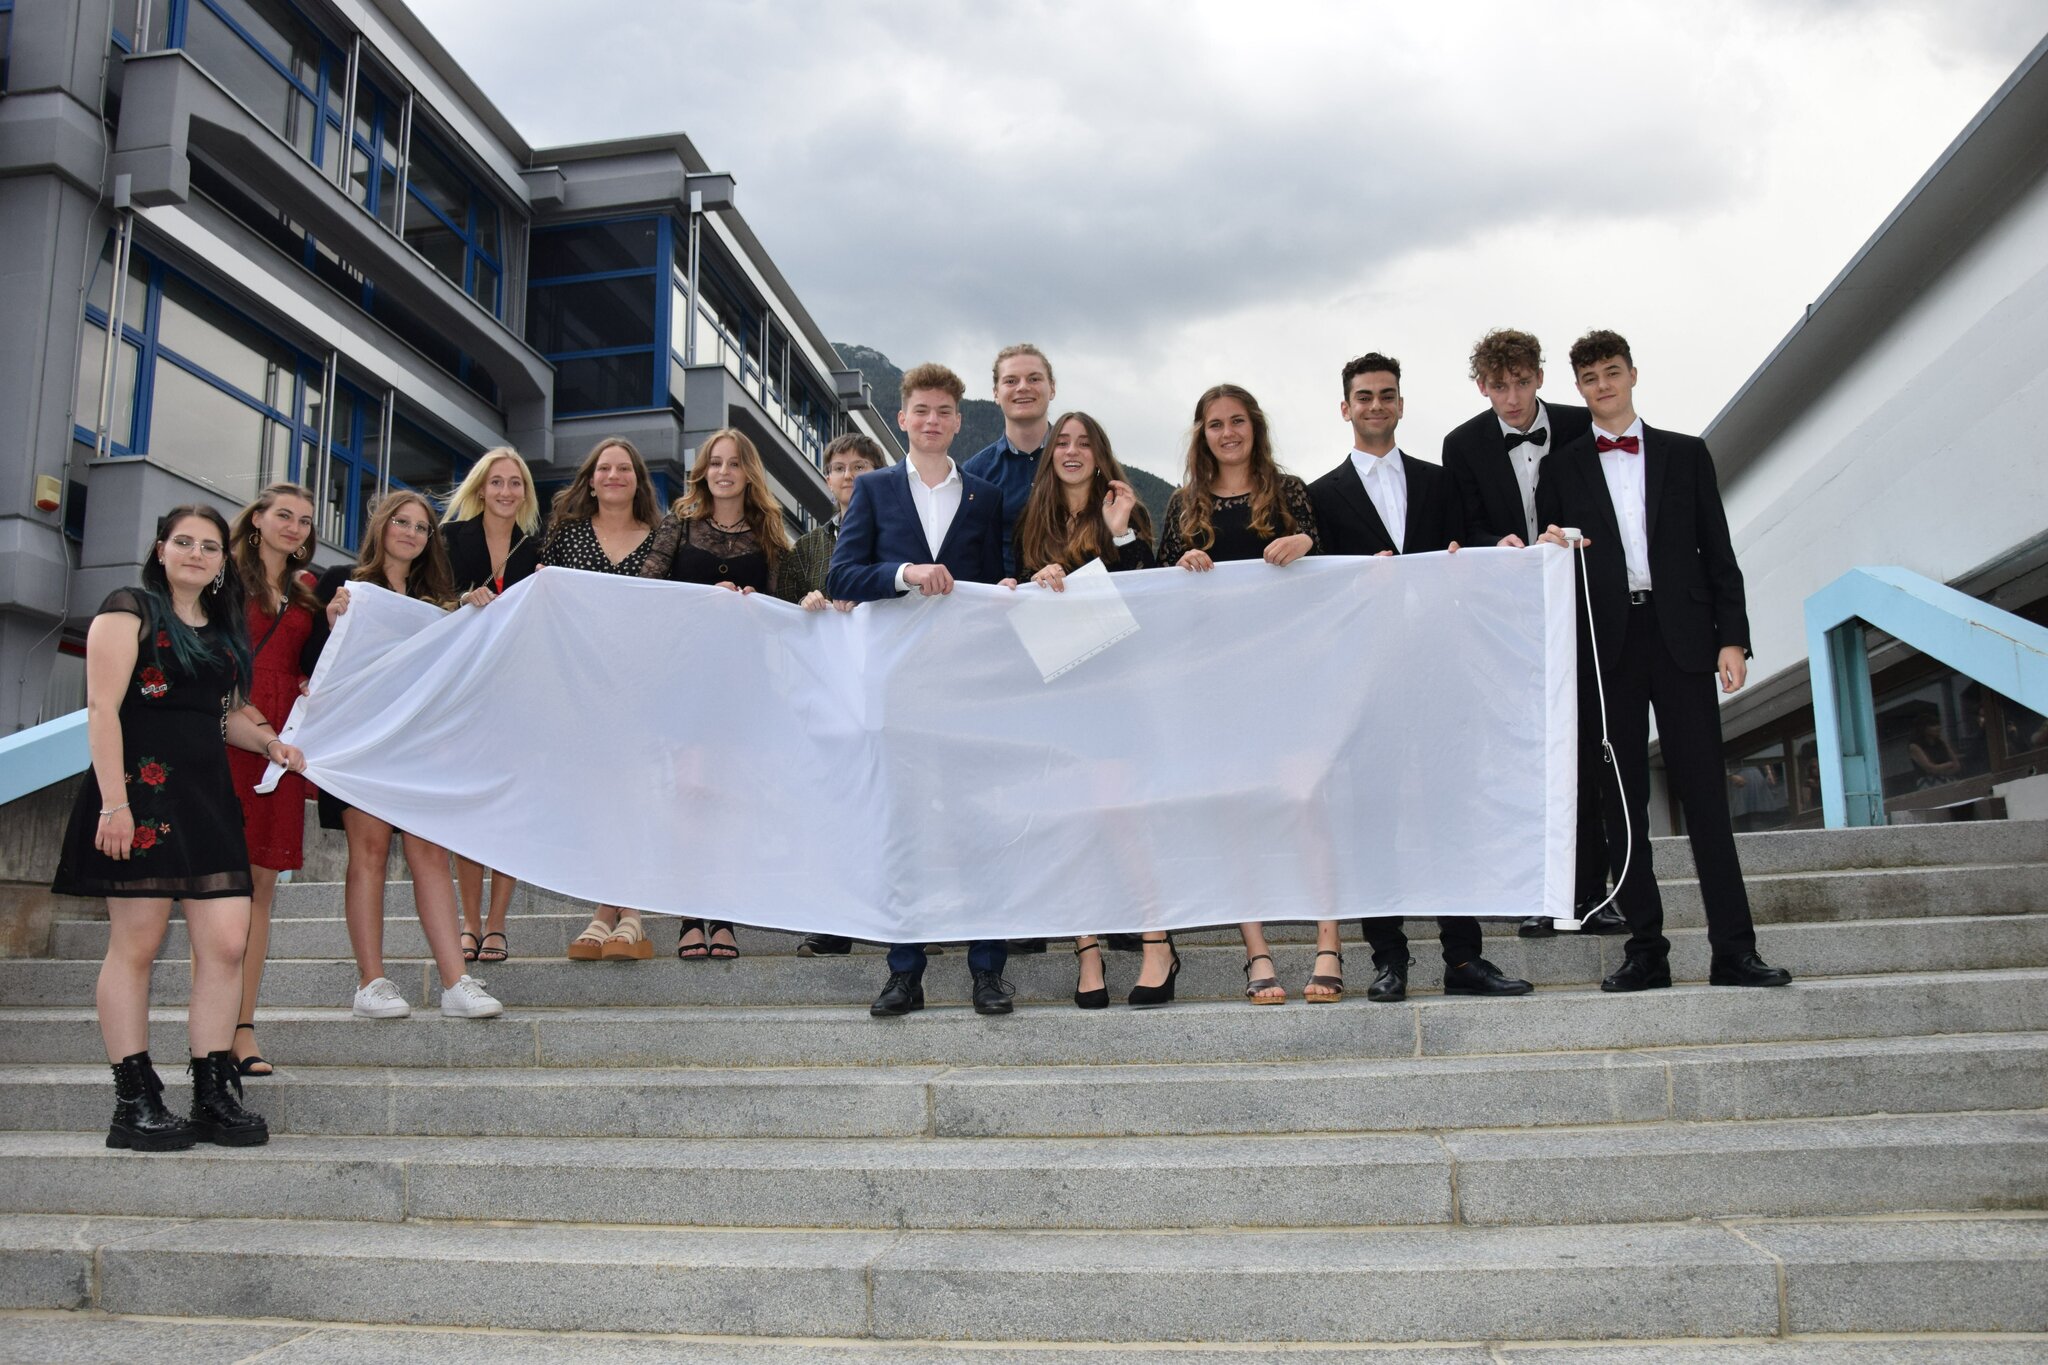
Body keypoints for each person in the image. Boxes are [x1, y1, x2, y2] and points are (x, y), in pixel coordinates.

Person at [1534, 329, 1792, 992]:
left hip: (1684, 640)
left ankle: (1734, 951)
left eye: (1611, 372)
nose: (1603, 386)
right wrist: (1548, 545)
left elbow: (1718, 551)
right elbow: (1550, 564)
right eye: (1590, 378)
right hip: (1606, 648)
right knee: (1622, 804)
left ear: (1632, 374)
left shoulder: (1686, 452)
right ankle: (1646, 949)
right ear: (1578, 388)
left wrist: (1731, 638)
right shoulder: (1559, 469)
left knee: (1706, 796)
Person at [52, 504, 306, 1149]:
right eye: (184, 542)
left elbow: (225, 713)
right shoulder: (128, 609)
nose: (196, 553)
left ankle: (212, 1096)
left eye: (209, 546)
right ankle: (134, 1102)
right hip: (139, 797)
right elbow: (101, 711)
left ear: (223, 561)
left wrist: (270, 743)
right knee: (135, 947)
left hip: (207, 800)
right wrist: (115, 805)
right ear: (161, 549)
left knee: (226, 943)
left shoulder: (223, 628)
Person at [1308, 353, 1533, 1005]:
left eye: (1387, 395)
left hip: (1441, 672)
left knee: (1451, 814)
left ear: (1401, 404)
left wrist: (1495, 551)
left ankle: (1464, 956)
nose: (1376, 405)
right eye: (1364, 396)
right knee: (1374, 819)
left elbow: (1472, 548)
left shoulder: (1440, 482)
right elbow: (1314, 594)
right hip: (1366, 680)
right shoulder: (1318, 496)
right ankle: (1388, 958)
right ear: (1345, 408)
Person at [826, 362, 1016, 1018]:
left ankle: (988, 970)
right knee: (902, 829)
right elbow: (842, 575)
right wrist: (905, 572)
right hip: (898, 687)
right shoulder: (873, 489)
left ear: (959, 421)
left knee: (977, 825)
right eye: (922, 410)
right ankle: (904, 971)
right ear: (903, 418)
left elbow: (995, 583)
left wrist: (1005, 588)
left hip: (966, 688)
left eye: (944, 411)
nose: (932, 420)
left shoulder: (986, 496)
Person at [1439, 328, 1620, 938]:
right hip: (1509, 622)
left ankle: (1595, 893)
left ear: (1540, 377)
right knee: (1525, 759)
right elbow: (1461, 527)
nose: (1512, 398)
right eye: (1499, 386)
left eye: (1521, 382)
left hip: (1587, 610)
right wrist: (1499, 544)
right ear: (1481, 387)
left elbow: (1607, 507)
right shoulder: (1461, 444)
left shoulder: (1579, 424)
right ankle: (1537, 895)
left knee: (1588, 752)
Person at [1158, 383, 1333, 1006]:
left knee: (1307, 802)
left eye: (1237, 421)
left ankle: (1329, 944)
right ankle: (1257, 953)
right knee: (1237, 811)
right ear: (1201, 434)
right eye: (1215, 424)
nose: (1227, 432)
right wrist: (1182, 567)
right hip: (1217, 683)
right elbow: (1160, 591)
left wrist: (1306, 544)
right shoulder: (1183, 505)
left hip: (1291, 675)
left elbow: (1330, 574)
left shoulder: (1290, 493)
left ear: (1254, 426)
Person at [304, 491, 503, 1021]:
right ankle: (370, 982)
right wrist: (332, 622)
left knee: (431, 854)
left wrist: (469, 614)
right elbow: (311, 665)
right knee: (368, 853)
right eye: (402, 522)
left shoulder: (437, 600)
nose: (411, 533)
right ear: (380, 525)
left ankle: (455, 981)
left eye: (421, 527)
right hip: (360, 741)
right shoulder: (342, 583)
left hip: (416, 747)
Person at [1016, 411, 1177, 1008]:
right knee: (1072, 821)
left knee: (1118, 815)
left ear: (1100, 453)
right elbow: (1018, 612)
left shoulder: (1125, 514)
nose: (1072, 451)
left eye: (1085, 442)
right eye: (1062, 441)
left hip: (1117, 694)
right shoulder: (1029, 521)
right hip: (1056, 694)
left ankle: (1158, 941)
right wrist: (1033, 583)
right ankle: (1086, 951)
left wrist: (1117, 535)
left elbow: (1143, 600)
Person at [640, 427, 794, 961]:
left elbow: (785, 613)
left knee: (730, 797)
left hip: (743, 683)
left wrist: (755, 604)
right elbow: (647, 591)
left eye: (733, 463)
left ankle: (724, 916)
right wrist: (706, 599)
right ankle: (690, 914)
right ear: (702, 471)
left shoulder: (770, 532)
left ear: (749, 473)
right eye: (715, 462)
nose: (723, 471)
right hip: (686, 679)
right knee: (690, 792)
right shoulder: (679, 525)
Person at [538, 437, 660, 962]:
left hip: (642, 684)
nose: (614, 475)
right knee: (598, 795)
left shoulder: (661, 536)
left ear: (637, 479)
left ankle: (623, 911)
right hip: (581, 685)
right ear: (590, 480)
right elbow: (542, 605)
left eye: (624, 468)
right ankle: (615, 907)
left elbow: (676, 604)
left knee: (630, 790)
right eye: (604, 468)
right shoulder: (564, 536)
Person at [222, 483, 320, 1077]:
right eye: (284, 515)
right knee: (221, 889)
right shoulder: (225, 578)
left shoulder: (309, 592)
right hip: (229, 723)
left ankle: (242, 1028)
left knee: (261, 887)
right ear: (257, 518)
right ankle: (214, 1024)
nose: (295, 527)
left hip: (283, 738)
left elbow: (314, 663)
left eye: (305, 520)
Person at [773, 432, 884, 957]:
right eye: (839, 467)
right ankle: (836, 920)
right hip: (830, 696)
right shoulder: (806, 549)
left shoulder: (900, 534)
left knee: (890, 804)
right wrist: (807, 604)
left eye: (861, 466)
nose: (849, 476)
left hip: (885, 690)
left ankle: (897, 917)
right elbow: (781, 618)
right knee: (838, 805)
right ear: (826, 478)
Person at [963, 343, 1058, 957]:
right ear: (996, 392)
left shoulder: (1080, 453)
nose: (1022, 388)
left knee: (1082, 768)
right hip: (1005, 641)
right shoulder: (974, 473)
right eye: (1011, 380)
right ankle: (1023, 908)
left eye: (1034, 378)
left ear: (1051, 387)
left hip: (1079, 629)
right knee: (1017, 777)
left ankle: (1107, 908)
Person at [441, 447, 543, 967]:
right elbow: (428, 601)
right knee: (470, 805)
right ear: (481, 488)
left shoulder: (539, 547)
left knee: (508, 807)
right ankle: (469, 921)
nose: (506, 491)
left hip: (519, 692)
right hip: (465, 690)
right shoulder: (449, 539)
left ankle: (498, 922)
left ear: (525, 492)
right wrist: (462, 601)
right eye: (497, 482)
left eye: (515, 482)